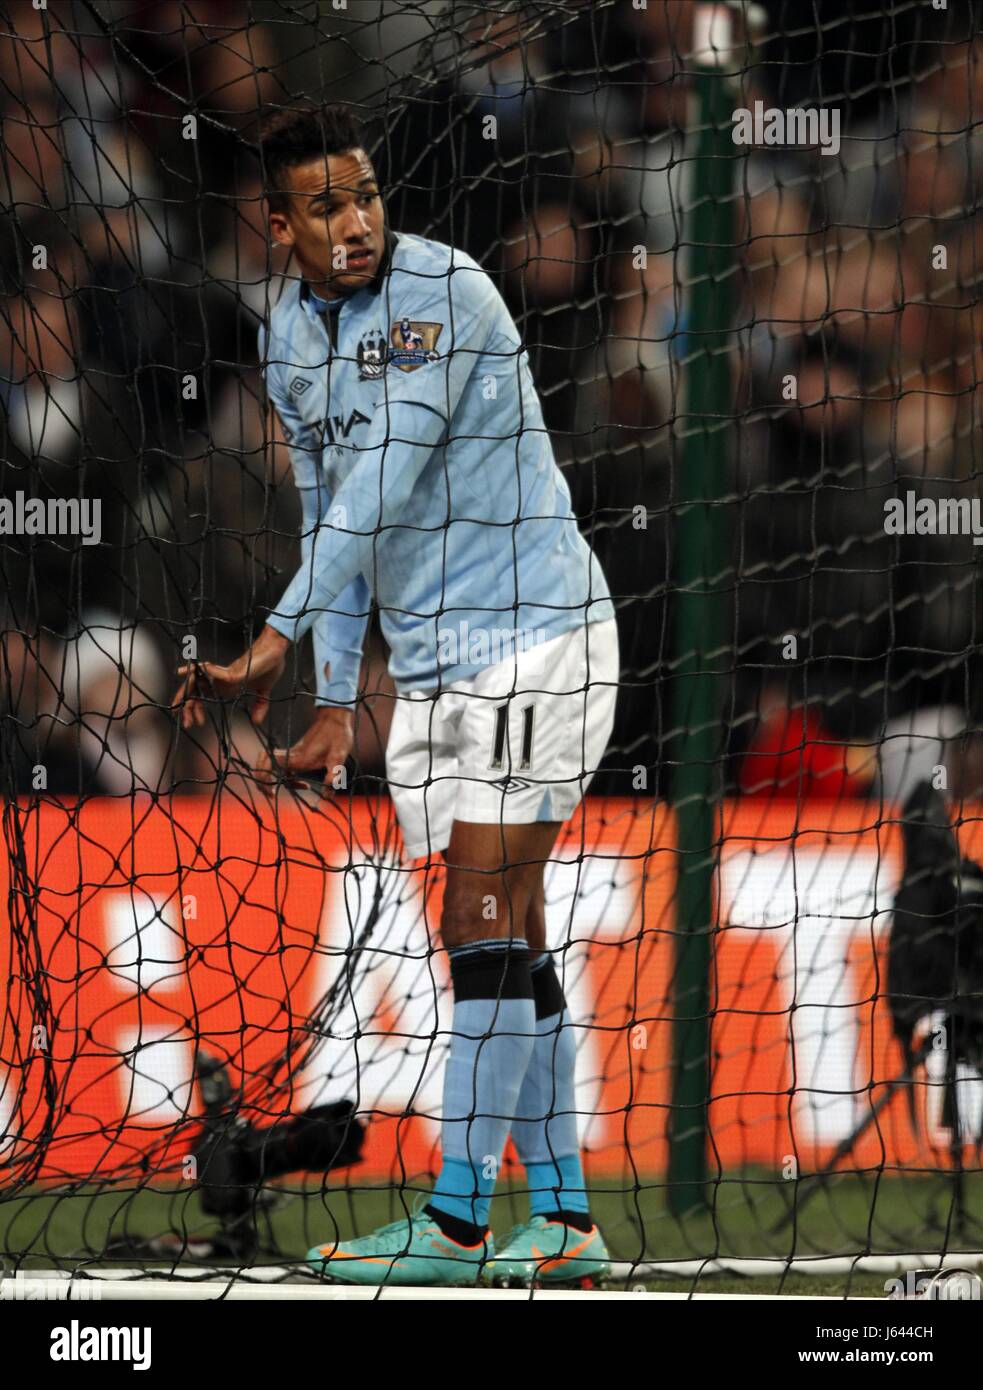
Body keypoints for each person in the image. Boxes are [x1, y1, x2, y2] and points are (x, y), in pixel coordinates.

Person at [172, 104, 619, 1287]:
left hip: (537, 637)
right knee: (502, 927)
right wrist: (328, 688)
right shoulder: (285, 340)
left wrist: (270, 635)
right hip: (432, 668)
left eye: (365, 195)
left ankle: (462, 1220)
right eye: (325, 205)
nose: (358, 222)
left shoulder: (444, 292)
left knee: (479, 912)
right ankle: (564, 1219)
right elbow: (330, 517)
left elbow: (378, 482)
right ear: (278, 226)